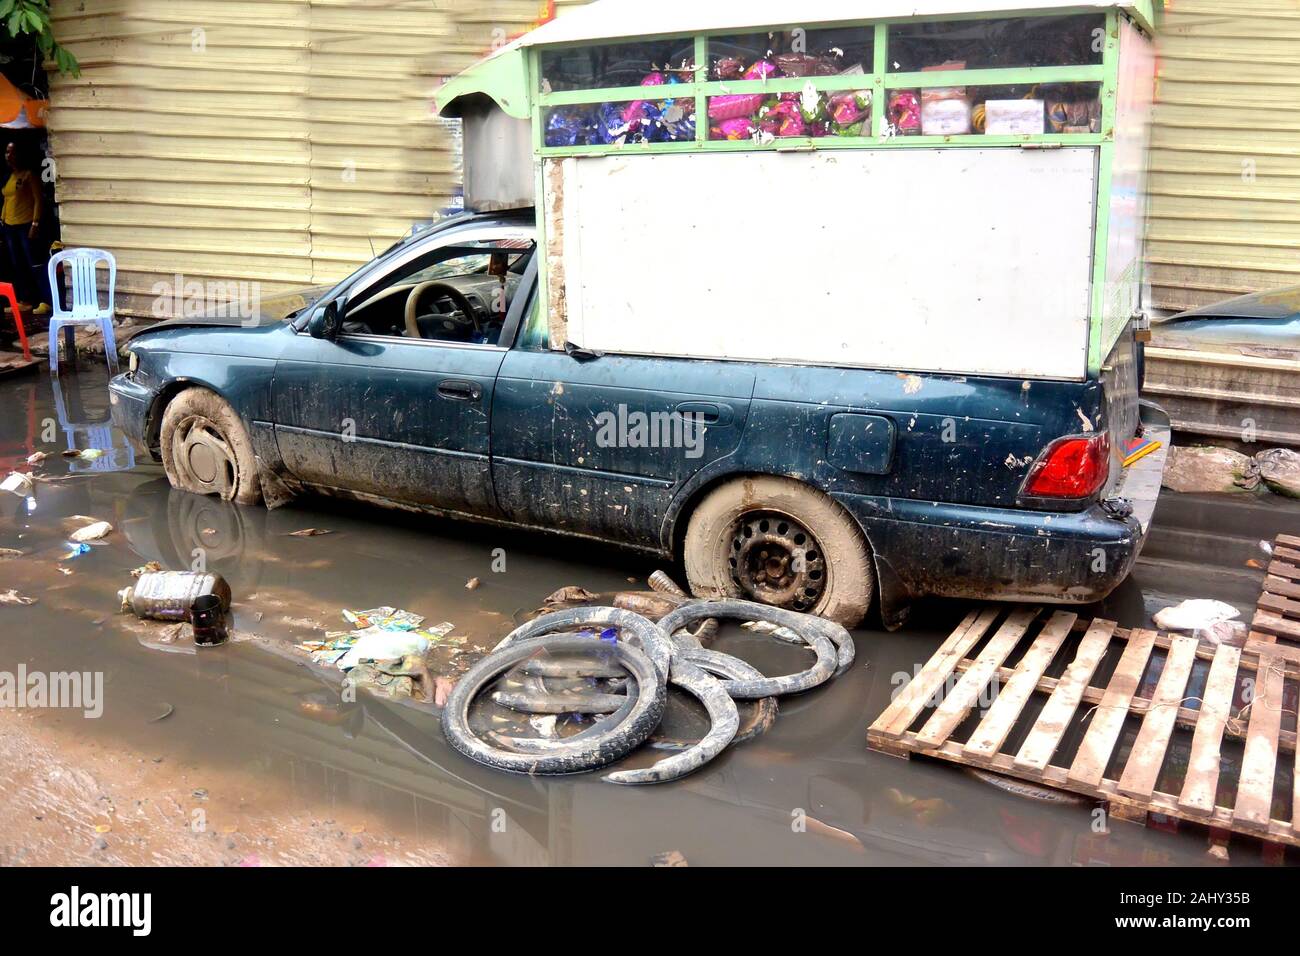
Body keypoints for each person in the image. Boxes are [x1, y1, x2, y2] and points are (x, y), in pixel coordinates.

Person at [2, 141, 51, 316]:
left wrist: (35, 223)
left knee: (34, 264)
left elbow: (38, 200)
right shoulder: (10, 176)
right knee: (18, 265)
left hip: (26, 225)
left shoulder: (29, 175)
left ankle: (46, 300)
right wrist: (2, 219)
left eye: (12, 152)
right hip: (10, 226)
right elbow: (7, 199)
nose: (9, 156)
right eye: (7, 152)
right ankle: (25, 300)